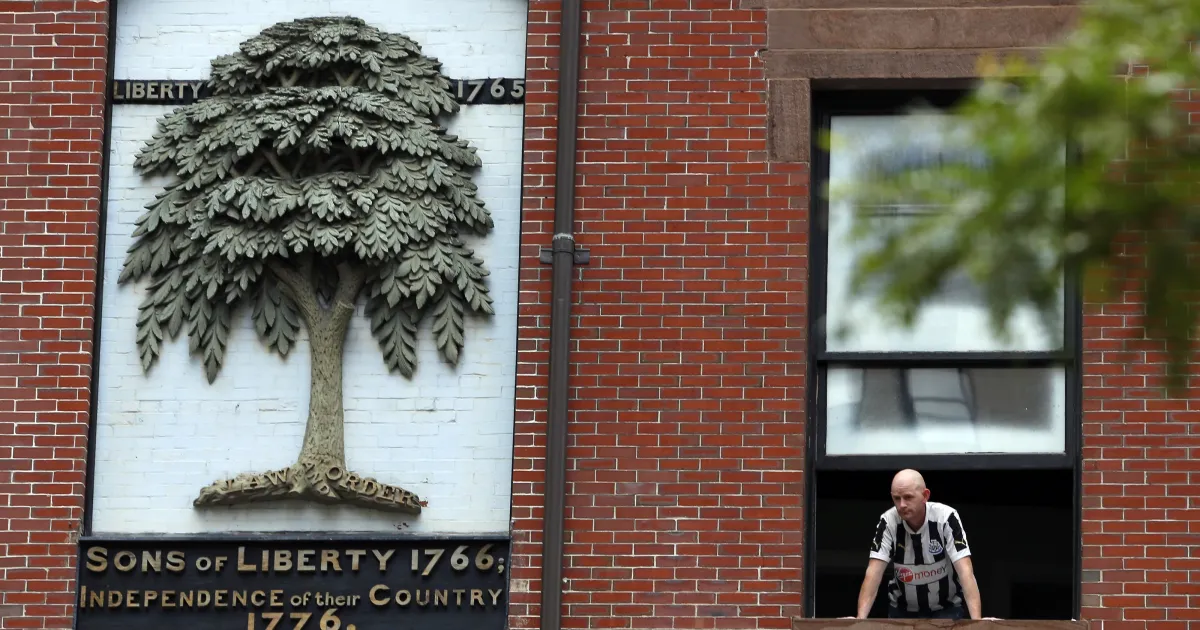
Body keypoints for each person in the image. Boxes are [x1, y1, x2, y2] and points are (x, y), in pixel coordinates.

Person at [851, 469, 982, 620]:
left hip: (947, 608)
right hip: (902, 610)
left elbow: (965, 571)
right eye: (896, 498)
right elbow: (874, 572)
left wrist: (977, 623)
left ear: (925, 496)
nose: (901, 505)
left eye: (908, 497)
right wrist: (859, 620)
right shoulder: (888, 521)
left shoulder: (946, 517)